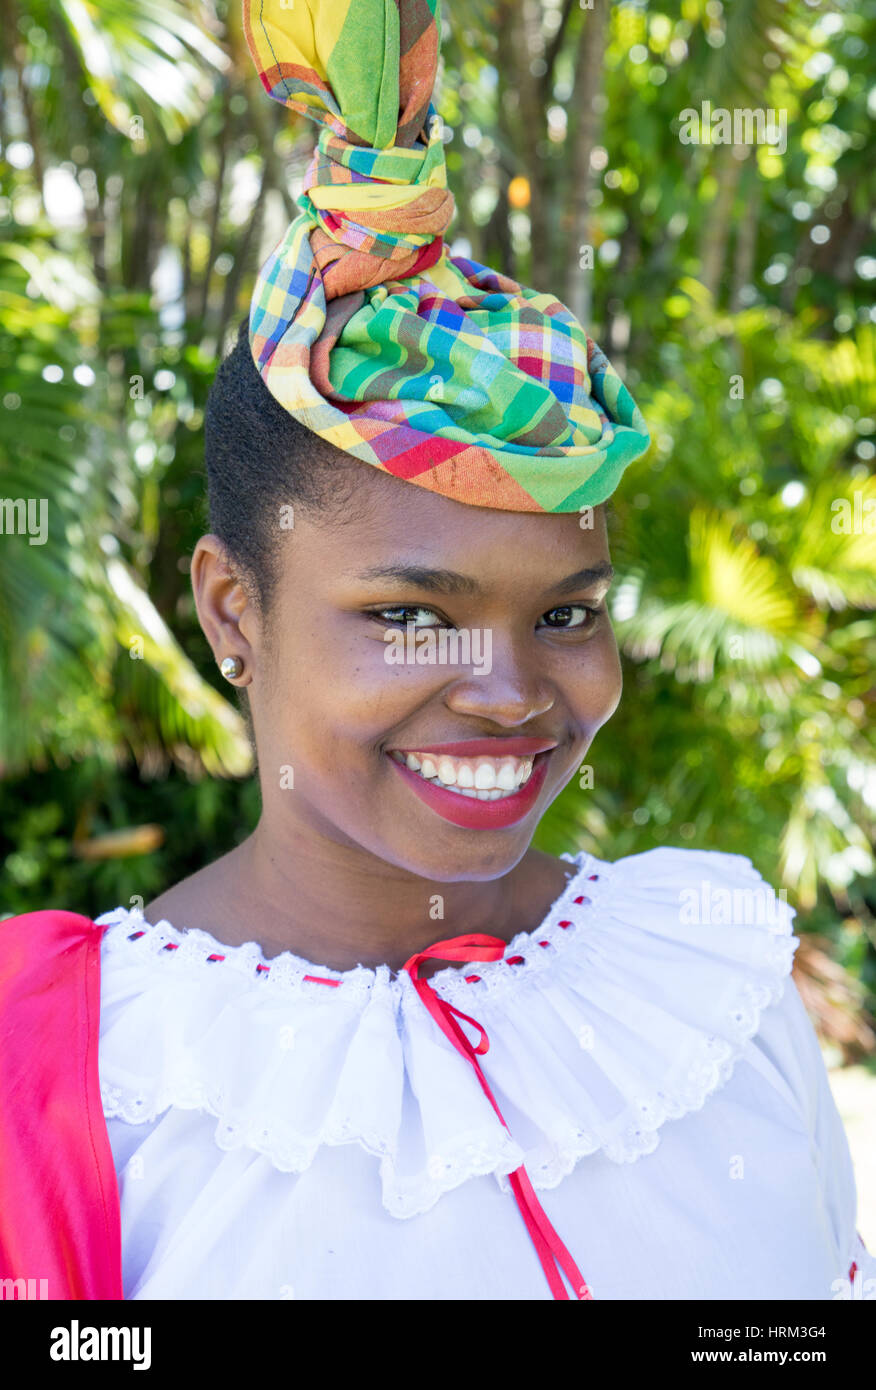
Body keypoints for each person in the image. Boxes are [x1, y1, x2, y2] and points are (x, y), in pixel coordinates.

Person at [1, 0, 873, 1301]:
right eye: (412, 616)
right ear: (232, 610)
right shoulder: (77, 1070)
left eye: (567, 610)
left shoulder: (716, 986)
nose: (516, 691)